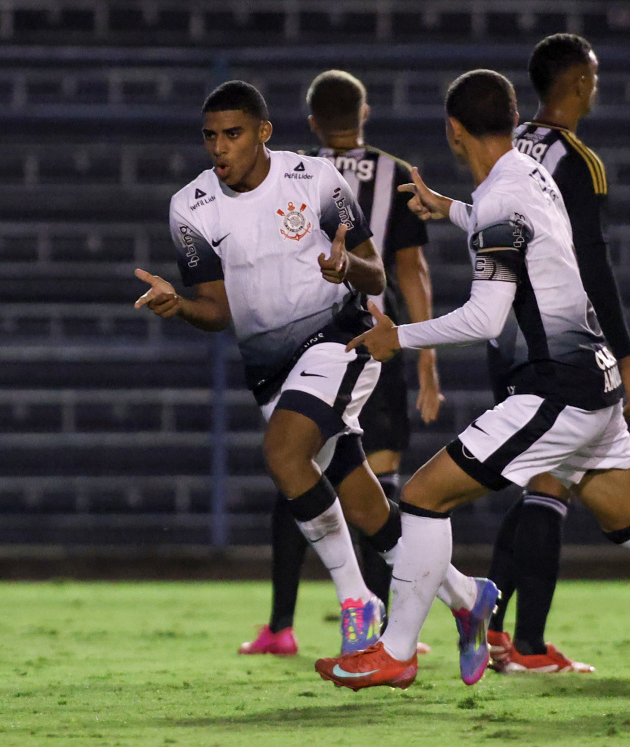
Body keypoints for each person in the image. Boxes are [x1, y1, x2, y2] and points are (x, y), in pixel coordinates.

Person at [314, 69, 630, 702]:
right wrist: (449, 208)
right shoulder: (531, 172)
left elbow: (486, 317)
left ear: (454, 131)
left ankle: (397, 654)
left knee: (425, 496)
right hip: (593, 378)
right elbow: (521, 235)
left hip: (555, 390)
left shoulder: (497, 198)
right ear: (513, 122)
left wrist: (397, 336)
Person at [134, 80, 492, 663]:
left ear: (264, 132)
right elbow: (218, 311)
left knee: (283, 454)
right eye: (210, 137)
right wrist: (181, 307)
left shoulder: (315, 179)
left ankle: (358, 601)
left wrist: (346, 263)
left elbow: (377, 273)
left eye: (233, 134)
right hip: (269, 368)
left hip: (340, 339)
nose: (220, 148)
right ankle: (466, 596)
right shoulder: (190, 206)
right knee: (369, 510)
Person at [238, 69, 443, 656]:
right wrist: (425, 360)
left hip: (305, 343)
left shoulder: (294, 170)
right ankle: (393, 627)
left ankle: (280, 626)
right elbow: (411, 271)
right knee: (377, 479)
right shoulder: (394, 173)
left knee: (296, 469)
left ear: (310, 122)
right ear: (365, 114)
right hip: (374, 340)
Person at [485, 32, 630, 675]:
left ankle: (501, 634)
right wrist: (626, 356)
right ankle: (521, 645)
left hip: (503, 333)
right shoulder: (577, 161)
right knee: (547, 482)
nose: (597, 85)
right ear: (579, 83)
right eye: (595, 76)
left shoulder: (509, 146)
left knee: (538, 478)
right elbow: (592, 264)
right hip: (555, 341)